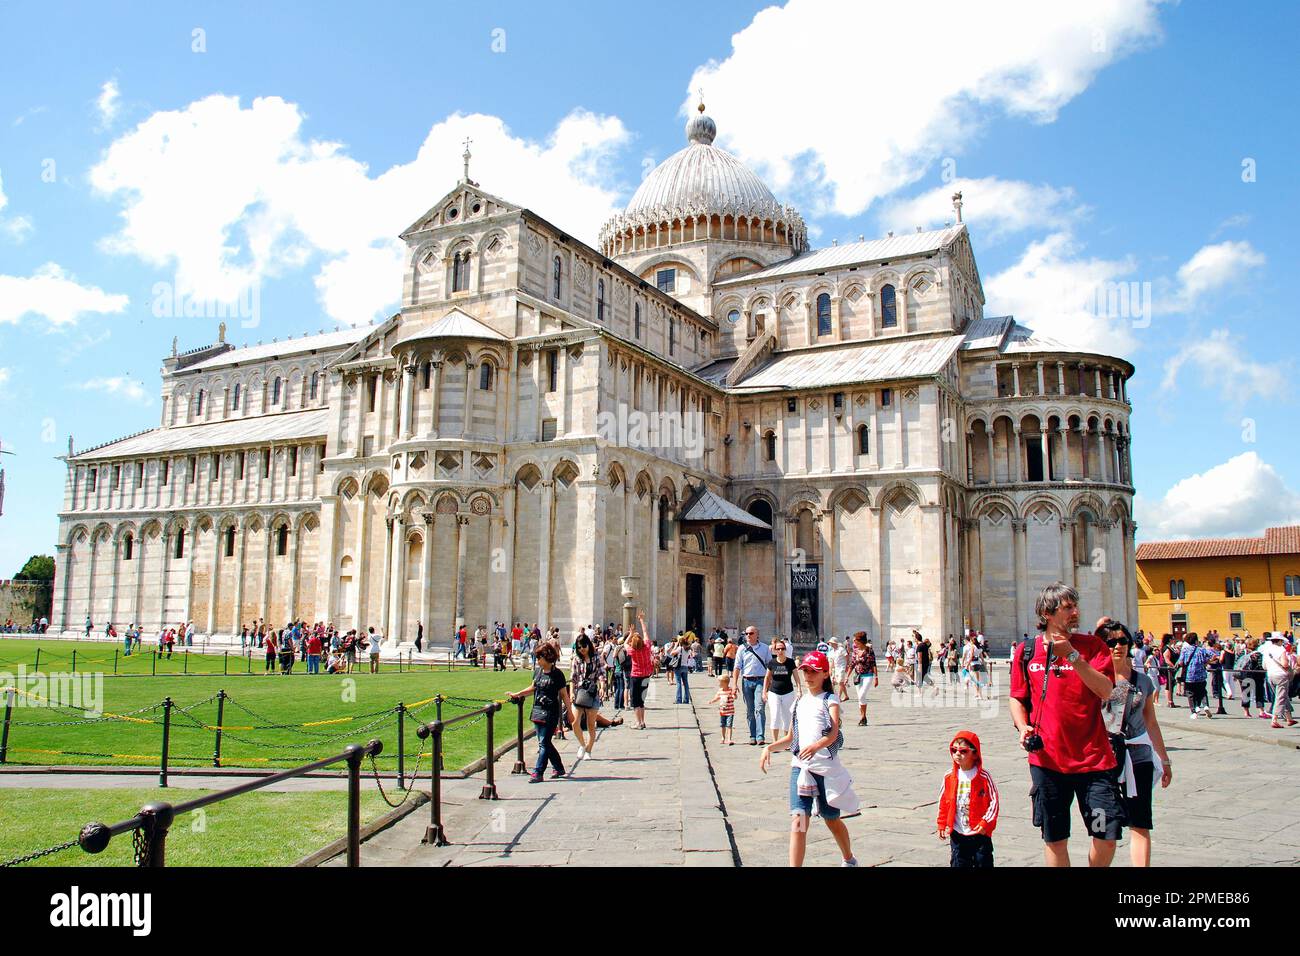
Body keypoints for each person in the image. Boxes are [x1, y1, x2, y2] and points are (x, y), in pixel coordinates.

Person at [1009, 583, 1122, 867]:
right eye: (1068, 607)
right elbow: (1017, 698)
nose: (1076, 612)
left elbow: (1107, 691)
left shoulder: (1093, 647)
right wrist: (1023, 728)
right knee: (1055, 838)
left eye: (1075, 606)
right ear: (1047, 613)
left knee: (1106, 835)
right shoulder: (1027, 651)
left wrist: (1072, 655)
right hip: (1047, 761)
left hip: (1094, 761)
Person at [759, 650, 859, 867]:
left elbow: (832, 732)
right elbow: (791, 738)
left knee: (831, 819)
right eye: (805, 670)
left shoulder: (830, 700)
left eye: (813, 671)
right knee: (798, 821)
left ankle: (849, 858)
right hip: (800, 767)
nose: (808, 675)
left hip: (825, 768)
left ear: (825, 673)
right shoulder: (799, 702)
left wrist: (816, 746)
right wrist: (770, 747)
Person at [1099, 620, 1172, 867]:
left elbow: (1151, 722)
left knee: (1140, 823)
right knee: (1104, 830)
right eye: (1111, 642)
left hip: (1139, 757)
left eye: (1123, 641)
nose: (1118, 646)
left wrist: (1164, 759)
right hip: (1105, 760)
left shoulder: (1142, 681)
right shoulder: (1095, 681)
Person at [936, 730, 999, 868]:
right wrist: (942, 823)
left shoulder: (984, 777)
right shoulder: (948, 776)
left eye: (963, 751)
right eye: (954, 750)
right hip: (958, 833)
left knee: (983, 863)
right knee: (958, 863)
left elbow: (994, 802)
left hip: (979, 833)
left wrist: (985, 823)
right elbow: (943, 801)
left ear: (975, 753)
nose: (957, 754)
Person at [529, 641, 572, 782]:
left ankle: (538, 772)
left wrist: (570, 712)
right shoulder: (537, 672)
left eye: (539, 657)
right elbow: (532, 688)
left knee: (543, 742)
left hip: (551, 712)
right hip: (537, 710)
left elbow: (564, 695)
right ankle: (558, 767)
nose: (537, 660)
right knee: (545, 742)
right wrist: (517, 694)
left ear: (547, 657)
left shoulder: (558, 674)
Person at [735, 626, 772, 745]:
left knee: (759, 708)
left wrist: (769, 683)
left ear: (757, 634)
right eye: (746, 633)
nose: (748, 636)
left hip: (760, 681)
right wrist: (734, 684)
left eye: (751, 633)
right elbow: (737, 667)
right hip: (746, 681)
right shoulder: (741, 648)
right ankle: (752, 735)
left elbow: (769, 666)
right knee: (750, 710)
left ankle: (760, 736)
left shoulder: (765, 648)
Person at [569, 633, 604, 760]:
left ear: (588, 645)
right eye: (579, 647)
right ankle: (582, 745)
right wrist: (572, 692)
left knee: (591, 724)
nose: (582, 649)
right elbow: (573, 678)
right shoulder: (576, 659)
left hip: (592, 693)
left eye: (584, 646)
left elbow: (601, 673)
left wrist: (602, 687)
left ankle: (588, 750)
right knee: (574, 722)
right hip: (579, 693)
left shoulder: (596, 657)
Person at [764, 639, 798, 742]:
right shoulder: (772, 662)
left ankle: (786, 741)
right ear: (774, 650)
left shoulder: (790, 662)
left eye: (782, 649)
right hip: (774, 692)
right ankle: (775, 741)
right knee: (775, 716)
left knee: (787, 717)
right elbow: (767, 677)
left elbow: (796, 677)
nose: (780, 651)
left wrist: (800, 689)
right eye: (778, 649)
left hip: (788, 692)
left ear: (785, 649)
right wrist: (764, 692)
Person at [1262, 633, 1297, 728]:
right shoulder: (1281, 650)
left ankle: (1289, 718)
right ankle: (1275, 719)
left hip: (1270, 675)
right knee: (1280, 697)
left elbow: (1264, 666)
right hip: (1281, 675)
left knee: (1282, 696)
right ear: (1280, 641)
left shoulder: (1267, 650)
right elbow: (1285, 664)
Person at [1177, 633, 1214, 719]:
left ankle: (1194, 712)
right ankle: (1205, 705)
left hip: (1189, 676)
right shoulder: (1201, 650)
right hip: (1201, 675)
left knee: (1190, 693)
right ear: (1196, 640)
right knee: (1202, 691)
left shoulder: (1185, 650)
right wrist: (1207, 661)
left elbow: (1181, 662)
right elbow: (1214, 655)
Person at [629, 611, 655, 729]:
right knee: (642, 700)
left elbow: (624, 643)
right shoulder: (647, 647)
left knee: (635, 701)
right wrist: (641, 620)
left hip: (635, 677)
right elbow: (645, 632)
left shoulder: (632, 651)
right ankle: (643, 721)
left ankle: (638, 723)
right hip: (646, 676)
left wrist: (630, 634)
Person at [849, 632, 878, 725]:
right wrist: (847, 677)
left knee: (861, 695)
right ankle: (863, 717)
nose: (853, 641)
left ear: (860, 641)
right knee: (861, 697)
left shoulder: (869, 650)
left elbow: (873, 664)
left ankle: (863, 717)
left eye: (855, 639)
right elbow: (852, 664)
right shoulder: (855, 651)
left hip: (868, 675)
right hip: (857, 676)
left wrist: (876, 677)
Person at [708, 673, 738, 745]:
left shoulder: (730, 690)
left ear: (725, 683)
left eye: (720, 683)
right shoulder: (720, 691)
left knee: (729, 725)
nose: (719, 684)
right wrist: (712, 701)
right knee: (722, 725)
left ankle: (729, 739)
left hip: (730, 711)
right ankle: (723, 737)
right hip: (722, 711)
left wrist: (734, 694)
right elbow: (717, 697)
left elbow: (735, 697)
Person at [674, 635, 693, 704]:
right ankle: (686, 699)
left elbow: (671, 653)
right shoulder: (688, 649)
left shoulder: (680, 648)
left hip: (679, 667)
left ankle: (679, 700)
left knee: (678, 683)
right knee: (686, 683)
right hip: (685, 667)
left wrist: (675, 646)